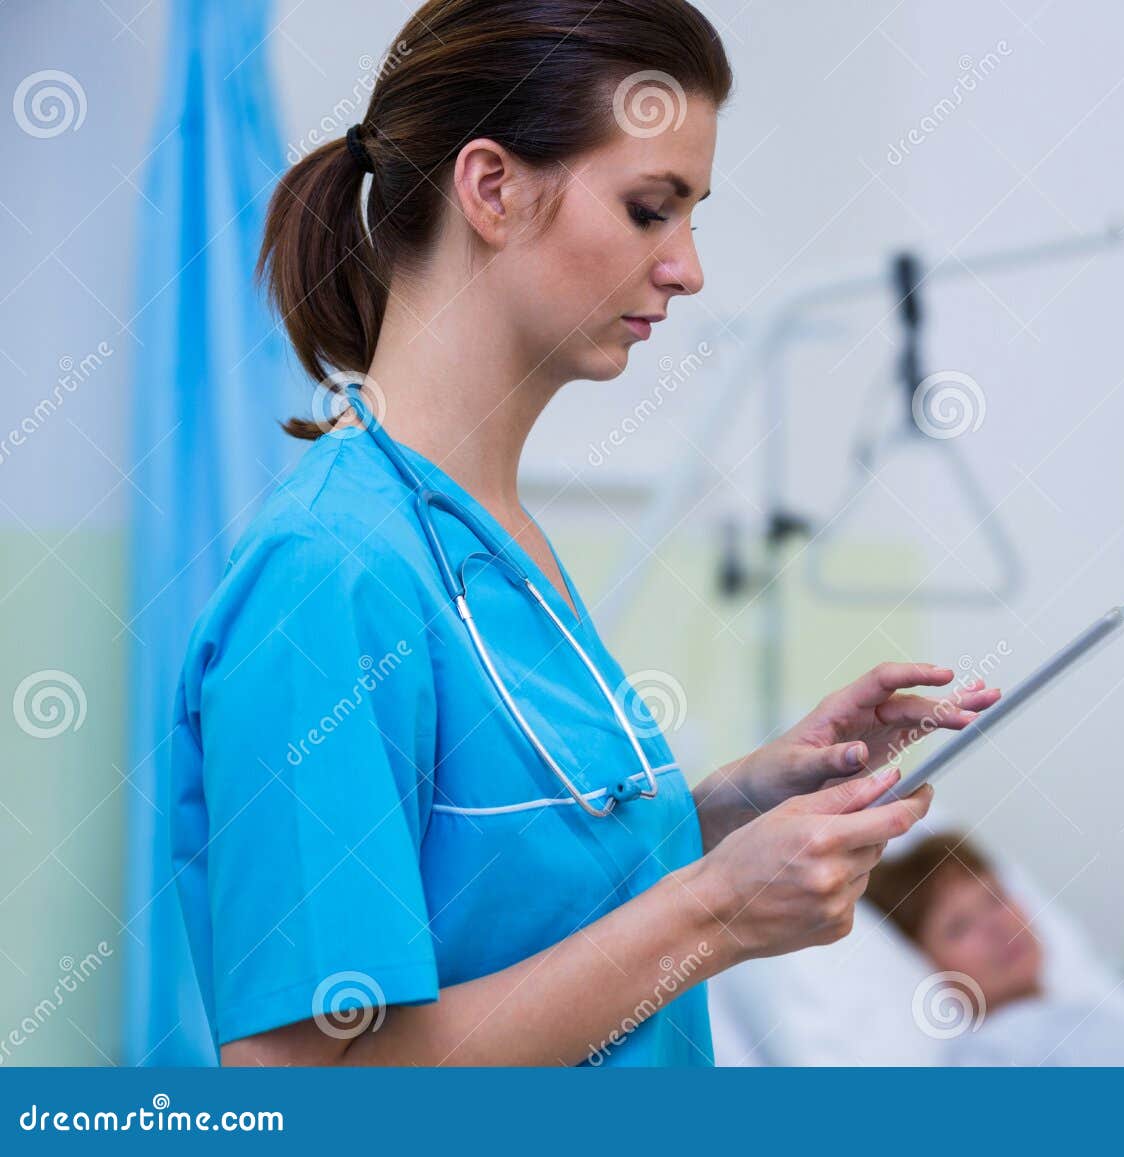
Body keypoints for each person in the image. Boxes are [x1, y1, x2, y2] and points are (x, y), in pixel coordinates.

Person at [166, 0, 1003, 1068]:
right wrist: (713, 915)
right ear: (492, 188)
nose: (689, 268)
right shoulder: (329, 572)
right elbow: (311, 1084)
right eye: (652, 209)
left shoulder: (495, 535)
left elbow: (516, 891)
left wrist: (739, 806)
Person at [864, 833, 1124, 1066]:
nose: (995, 924)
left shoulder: (1093, 1014)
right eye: (959, 927)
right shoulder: (990, 1055)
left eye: (996, 898)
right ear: (925, 963)